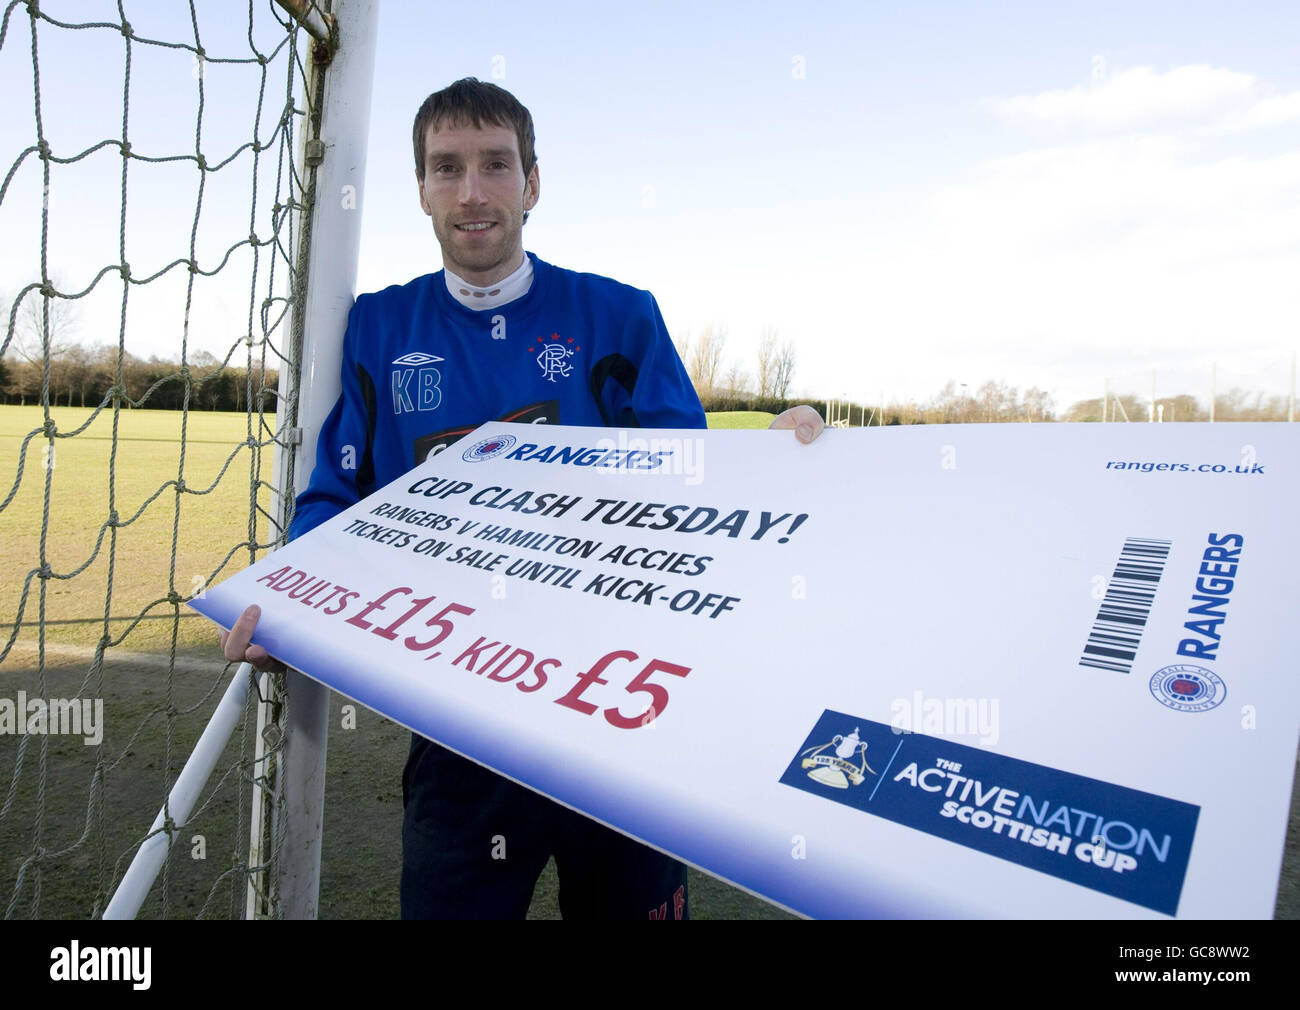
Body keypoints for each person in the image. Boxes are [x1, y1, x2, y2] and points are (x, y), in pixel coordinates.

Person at [221, 77, 825, 919]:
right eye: (447, 168)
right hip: (457, 724)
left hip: (620, 719)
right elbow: (335, 497)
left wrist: (777, 467)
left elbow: (696, 484)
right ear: (423, 188)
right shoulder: (379, 327)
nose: (472, 192)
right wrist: (286, 602)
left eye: (496, 165)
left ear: (533, 183)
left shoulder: (617, 315)